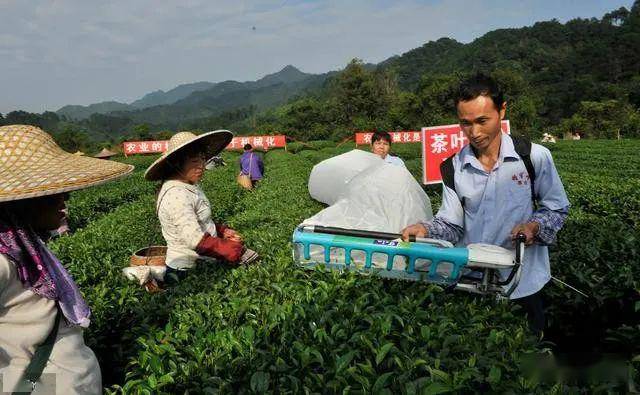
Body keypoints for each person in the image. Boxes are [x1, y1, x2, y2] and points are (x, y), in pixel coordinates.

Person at [401, 74, 570, 336]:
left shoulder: (533, 157)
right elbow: (451, 224)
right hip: (472, 280)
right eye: (465, 123)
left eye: (482, 121)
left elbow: (556, 208)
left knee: (527, 357)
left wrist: (535, 226)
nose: (475, 132)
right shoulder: (453, 167)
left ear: (502, 111)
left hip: (522, 281)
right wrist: (425, 229)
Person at [0, 124, 134, 394]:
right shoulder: (4, 257)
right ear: (21, 200)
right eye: (52, 192)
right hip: (39, 382)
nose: (65, 199)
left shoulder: (24, 244)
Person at [145, 131, 259, 284]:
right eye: (194, 161)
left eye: (203, 160)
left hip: (203, 262)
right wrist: (231, 249)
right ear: (178, 163)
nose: (201, 166)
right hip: (186, 270)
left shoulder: (189, 185)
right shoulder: (176, 194)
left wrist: (221, 230)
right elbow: (194, 239)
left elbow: (198, 220)